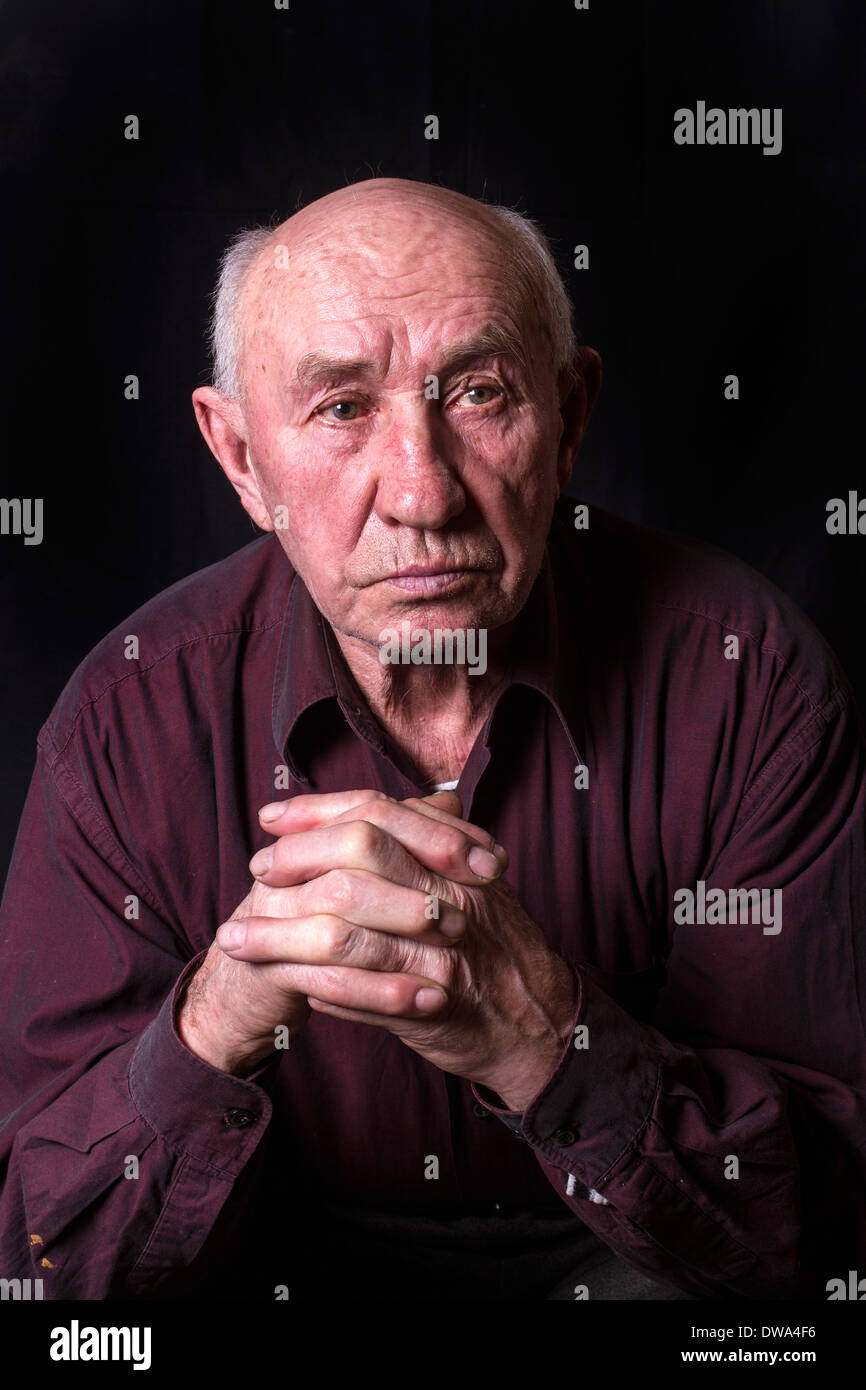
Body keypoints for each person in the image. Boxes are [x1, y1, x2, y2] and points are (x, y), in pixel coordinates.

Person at [1, 178, 863, 1301]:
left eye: (478, 392)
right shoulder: (127, 720)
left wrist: (545, 1038)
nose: (422, 493)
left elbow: (827, 1235)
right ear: (241, 459)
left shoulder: (747, 679)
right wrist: (212, 1022)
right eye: (343, 408)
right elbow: (43, 1269)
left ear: (569, 419)